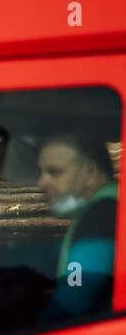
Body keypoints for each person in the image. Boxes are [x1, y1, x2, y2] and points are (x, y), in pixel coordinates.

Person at [37, 132, 118, 320]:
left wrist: (37, 331)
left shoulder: (103, 215)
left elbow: (75, 297)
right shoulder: (105, 206)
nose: (42, 182)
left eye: (55, 172)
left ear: (90, 172)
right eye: (40, 172)